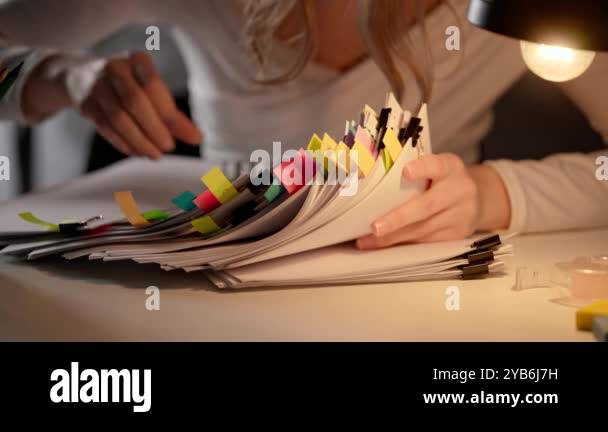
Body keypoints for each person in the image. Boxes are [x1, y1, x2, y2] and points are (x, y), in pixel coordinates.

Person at [0, 0, 606, 249]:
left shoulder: (522, 11)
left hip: (433, 278)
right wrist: (59, 77)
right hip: (217, 269)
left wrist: (492, 193)